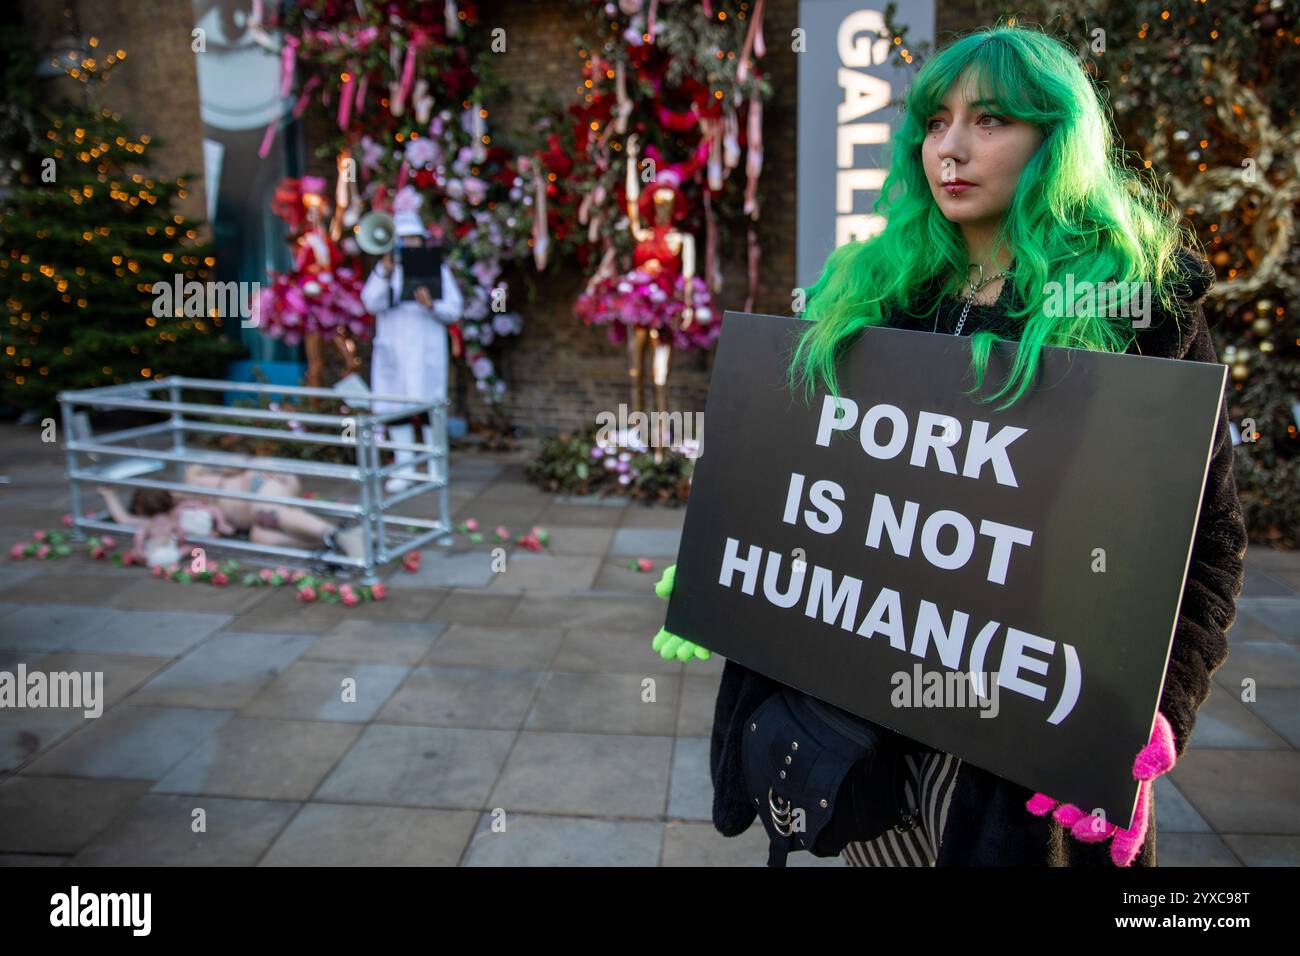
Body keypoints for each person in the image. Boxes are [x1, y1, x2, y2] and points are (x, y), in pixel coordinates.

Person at [651, 22, 1247, 867]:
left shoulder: (1138, 308)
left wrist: (1159, 703)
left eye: (991, 121)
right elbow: (814, 480)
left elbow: (1209, 542)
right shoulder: (875, 292)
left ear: (1055, 138)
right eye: (935, 123)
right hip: (857, 745)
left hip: (1010, 762)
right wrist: (730, 559)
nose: (951, 150)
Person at [361, 186, 463, 492]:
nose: (407, 246)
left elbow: (454, 309)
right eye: (401, 241)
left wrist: (432, 306)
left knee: (430, 410)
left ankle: (434, 466)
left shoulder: (437, 270)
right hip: (393, 353)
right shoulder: (384, 271)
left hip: (425, 351)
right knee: (394, 410)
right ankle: (403, 468)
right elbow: (370, 302)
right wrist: (384, 273)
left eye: (412, 240)